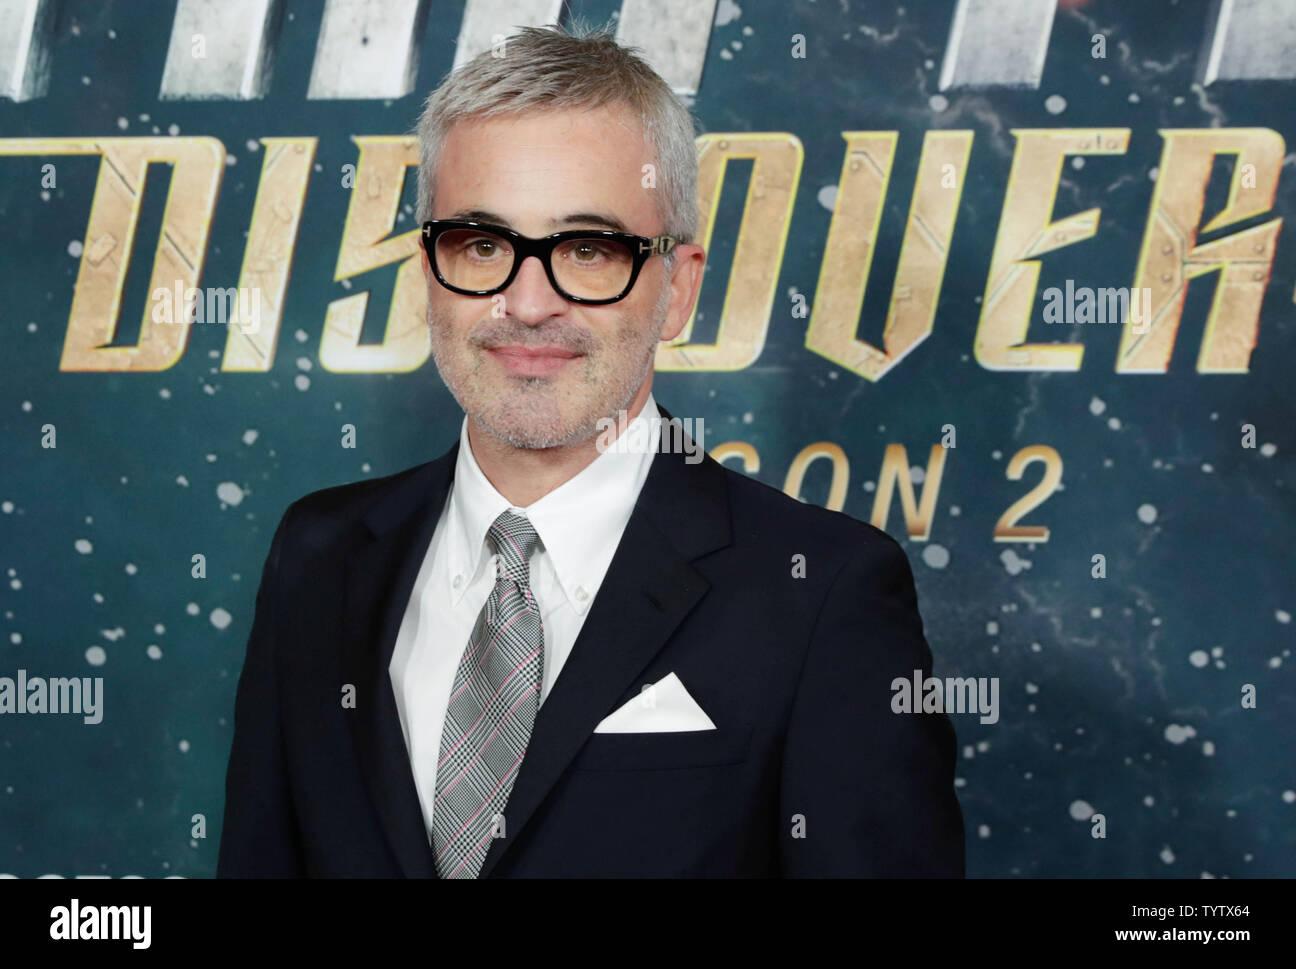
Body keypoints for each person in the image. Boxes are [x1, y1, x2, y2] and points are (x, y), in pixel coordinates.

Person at [217, 22, 964, 878]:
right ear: (428, 267)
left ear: (677, 288)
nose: (527, 302)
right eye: (483, 244)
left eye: (588, 249)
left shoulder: (822, 593)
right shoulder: (320, 554)